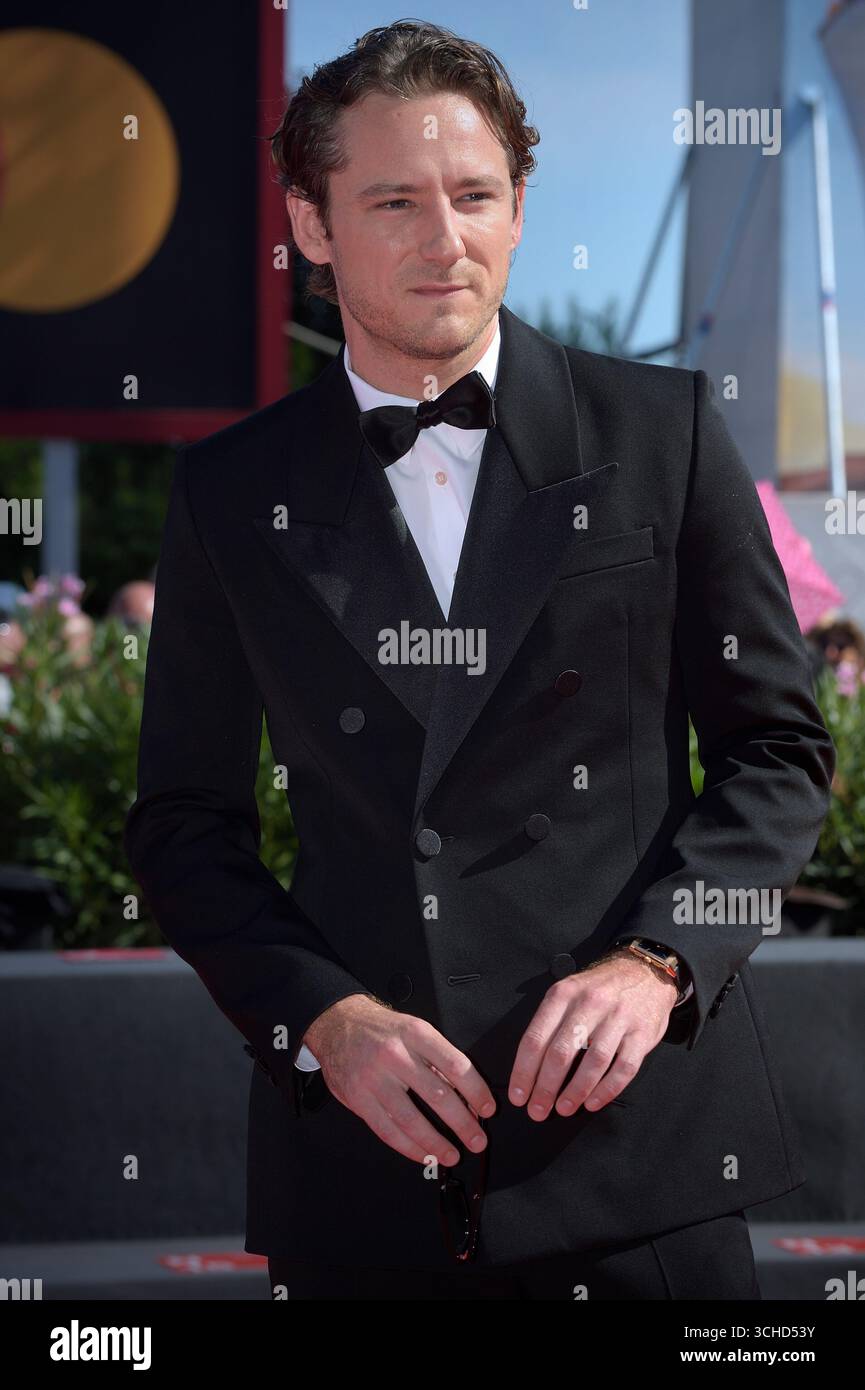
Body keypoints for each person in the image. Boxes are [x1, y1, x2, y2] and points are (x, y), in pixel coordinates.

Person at [124, 20, 835, 1300]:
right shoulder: (232, 491)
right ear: (314, 224)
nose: (443, 238)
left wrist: (659, 960)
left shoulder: (662, 431)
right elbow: (185, 824)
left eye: (475, 196)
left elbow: (777, 753)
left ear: (518, 211)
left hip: (644, 1162)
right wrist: (323, 1023)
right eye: (393, 200)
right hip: (363, 1163)